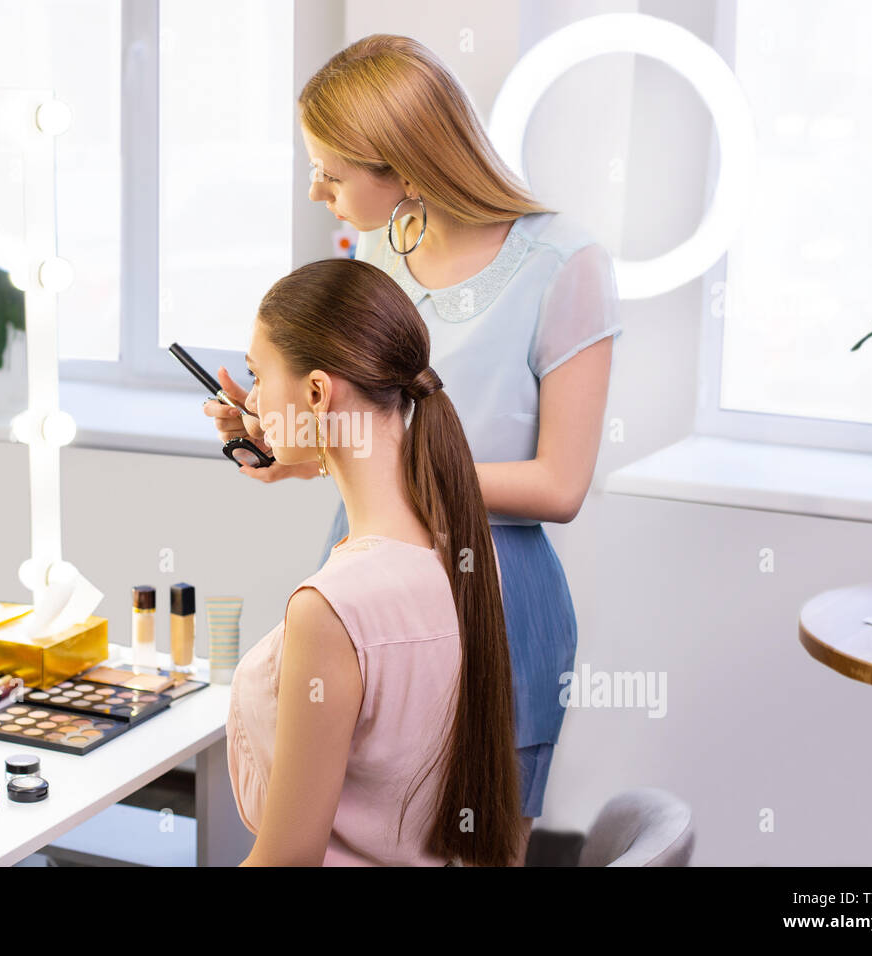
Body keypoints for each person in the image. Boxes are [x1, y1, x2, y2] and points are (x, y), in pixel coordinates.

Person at [205, 35, 622, 842]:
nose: (318, 188)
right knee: (335, 828)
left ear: (403, 166)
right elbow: (363, 437)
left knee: (477, 846)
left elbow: (560, 485)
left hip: (496, 592)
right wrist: (291, 440)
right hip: (367, 572)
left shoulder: (565, 264)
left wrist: (373, 461)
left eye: (331, 168)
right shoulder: (377, 250)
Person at [227, 257, 525, 866]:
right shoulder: (466, 556)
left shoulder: (333, 610)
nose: (252, 401)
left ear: (316, 392)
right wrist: (302, 447)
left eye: (258, 376)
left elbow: (286, 860)